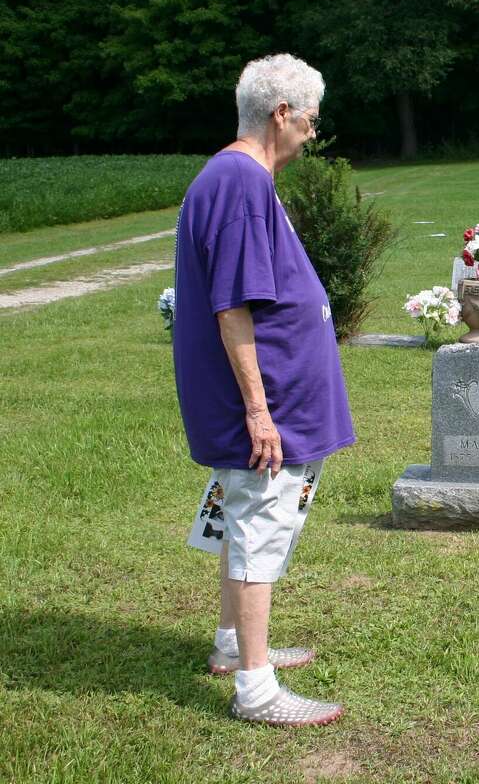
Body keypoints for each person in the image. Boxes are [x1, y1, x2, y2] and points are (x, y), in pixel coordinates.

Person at [173, 54, 355, 725]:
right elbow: (233, 306)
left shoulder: (236, 176)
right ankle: (255, 688)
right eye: (311, 117)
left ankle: (232, 643)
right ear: (282, 114)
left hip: (274, 397)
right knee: (258, 520)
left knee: (245, 517)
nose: (313, 131)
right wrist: (260, 411)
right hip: (265, 404)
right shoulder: (241, 180)